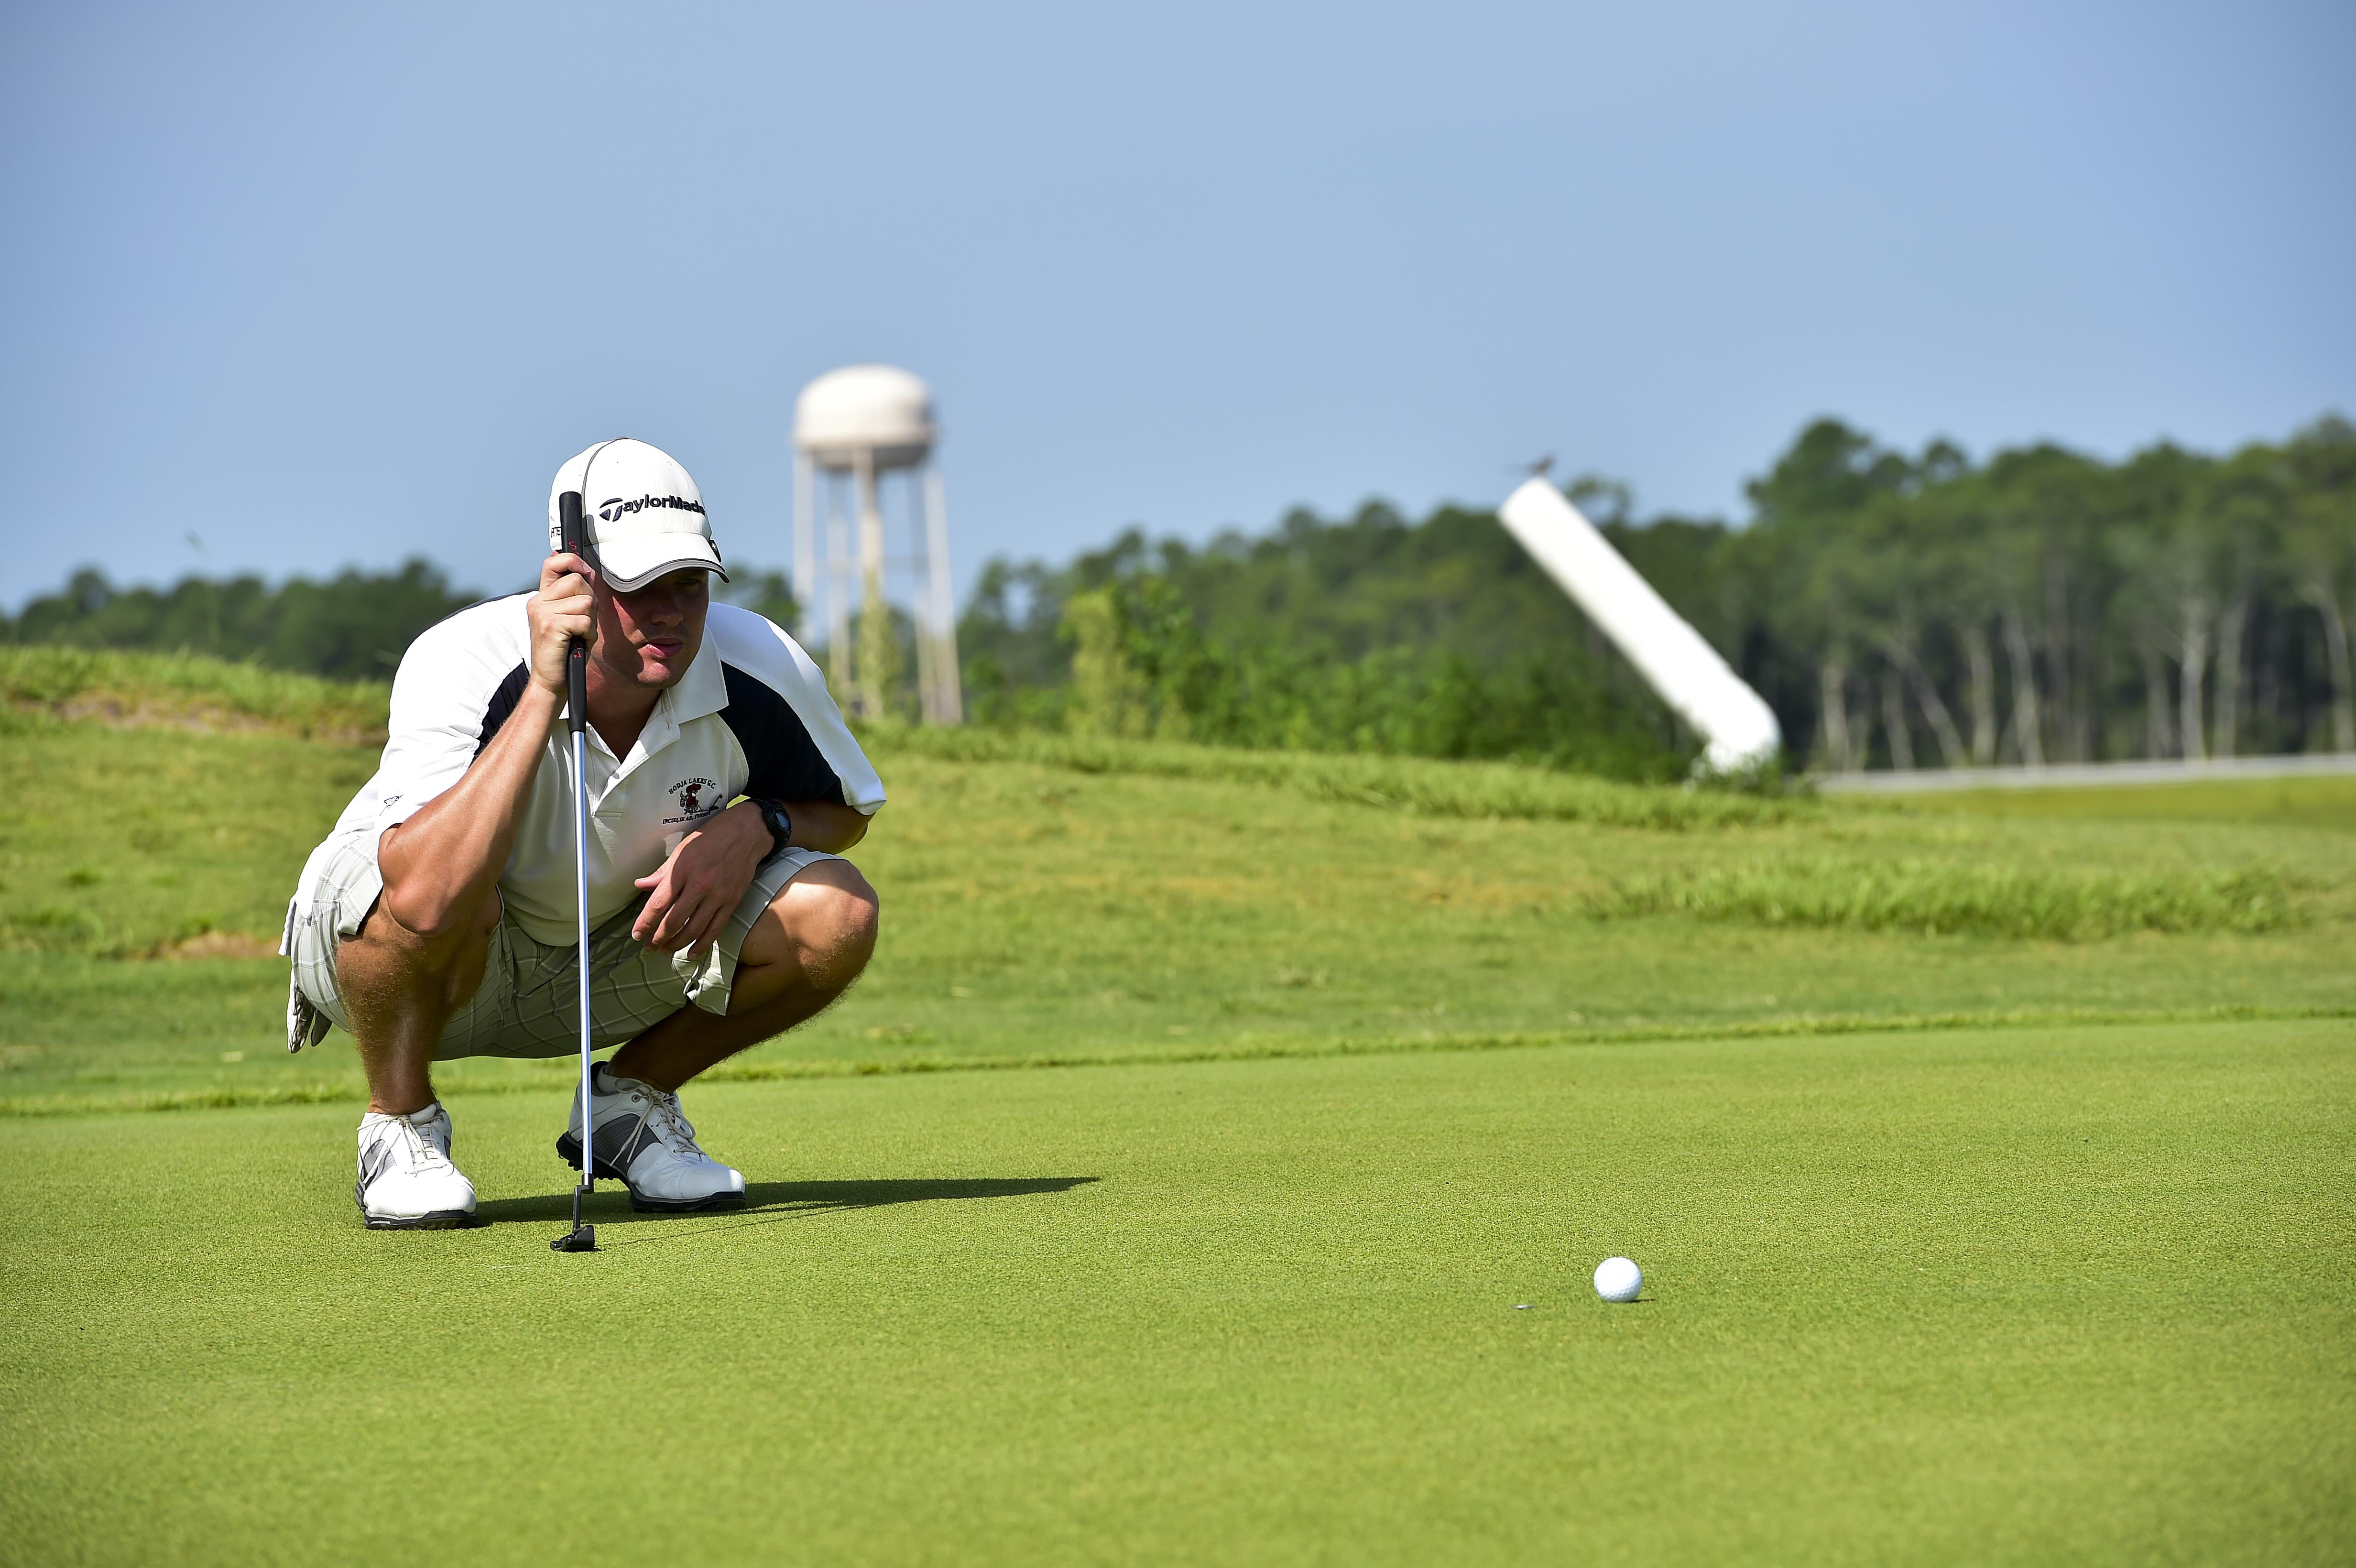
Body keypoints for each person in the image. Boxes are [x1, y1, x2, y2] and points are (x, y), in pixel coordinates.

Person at [280, 438, 884, 1229]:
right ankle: (400, 1127)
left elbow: (846, 810)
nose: (670, 610)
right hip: (411, 967)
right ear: (573, 578)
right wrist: (541, 690)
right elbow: (424, 898)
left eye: (690, 583)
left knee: (836, 912)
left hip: (610, 953)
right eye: (640, 587)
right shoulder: (463, 658)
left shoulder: (761, 664)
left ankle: (625, 1108)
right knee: (398, 883)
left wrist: (758, 825)